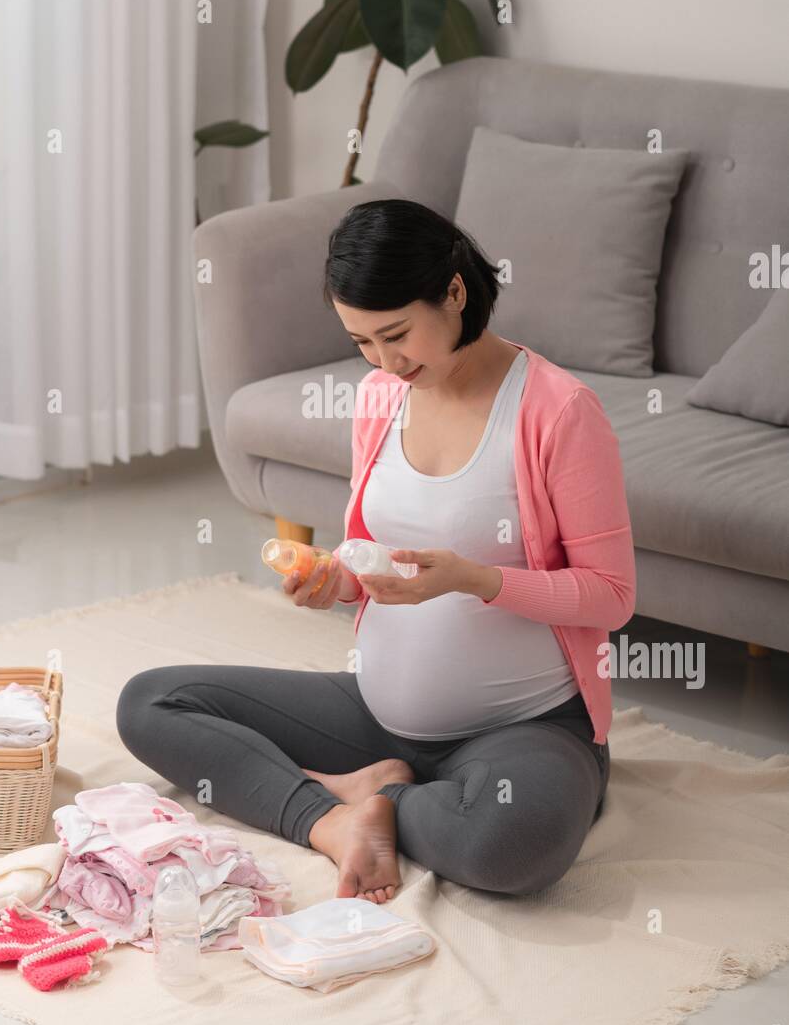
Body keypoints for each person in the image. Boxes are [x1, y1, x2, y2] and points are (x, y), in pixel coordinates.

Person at [117, 199, 636, 904]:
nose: (385, 361)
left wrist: (476, 579)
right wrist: (340, 579)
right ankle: (337, 819)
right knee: (151, 701)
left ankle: (392, 801)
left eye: (396, 335)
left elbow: (611, 594)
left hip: (523, 727)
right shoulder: (377, 398)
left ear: (454, 292)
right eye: (362, 342)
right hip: (377, 711)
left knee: (511, 848)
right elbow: (375, 556)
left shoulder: (559, 411)